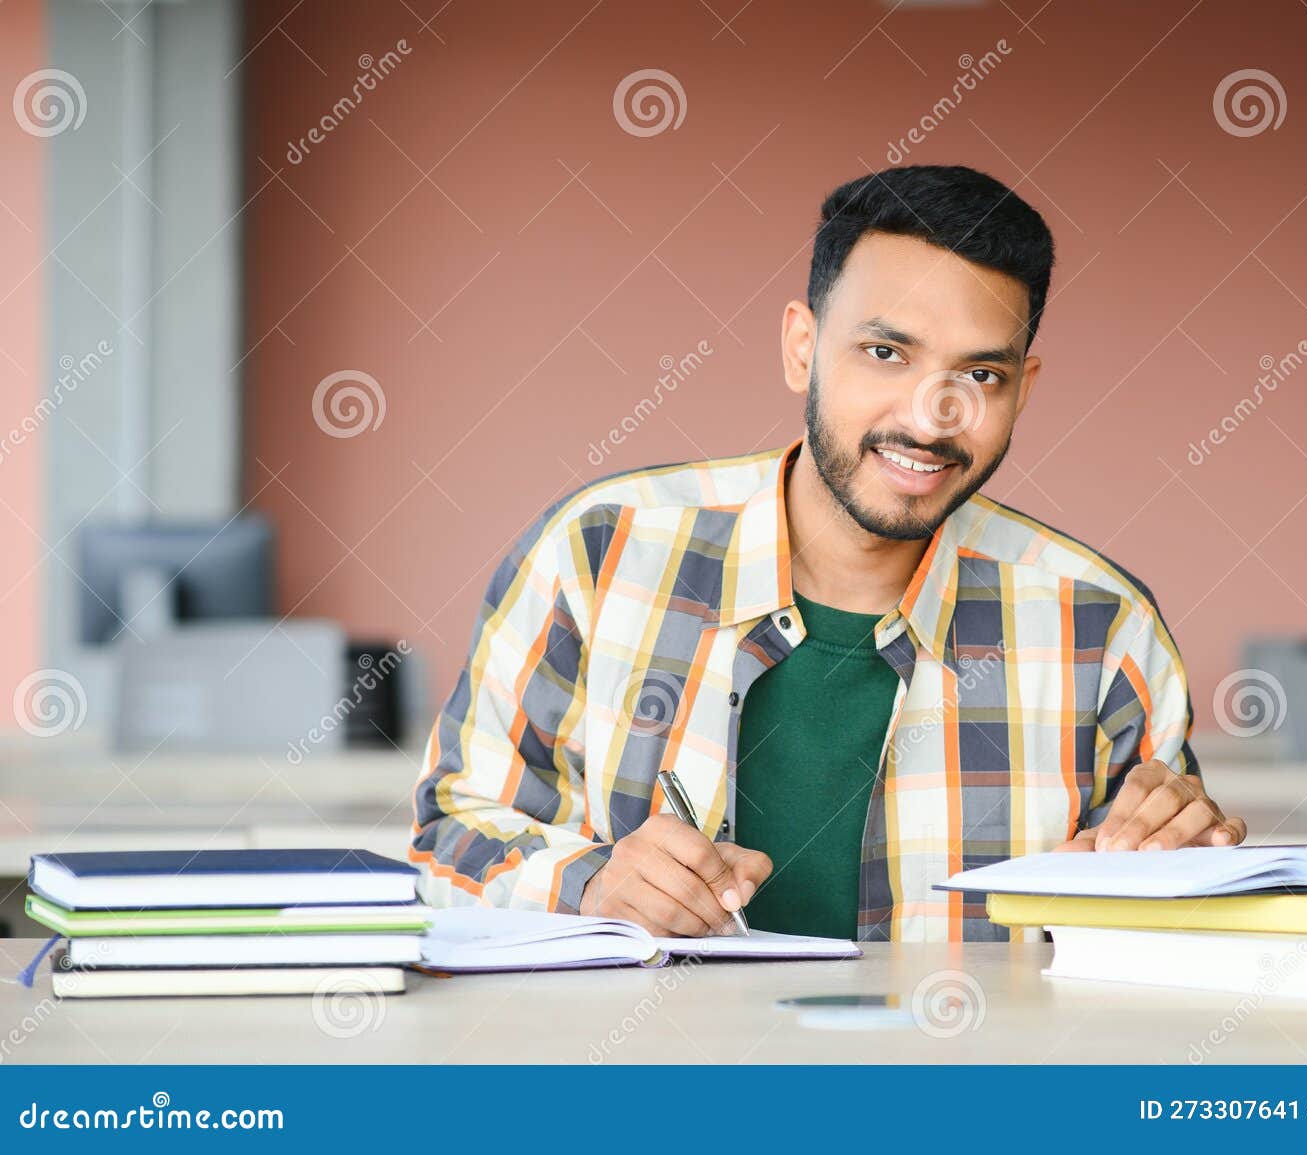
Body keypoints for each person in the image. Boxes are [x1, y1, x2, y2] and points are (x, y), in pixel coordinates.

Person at [410, 164, 1245, 942]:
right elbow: (451, 835)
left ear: (1024, 386)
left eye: (981, 376)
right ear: (801, 346)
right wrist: (588, 884)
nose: (929, 417)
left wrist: (1184, 864)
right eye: (886, 353)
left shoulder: (1102, 626)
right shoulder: (598, 549)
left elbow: (1168, 934)